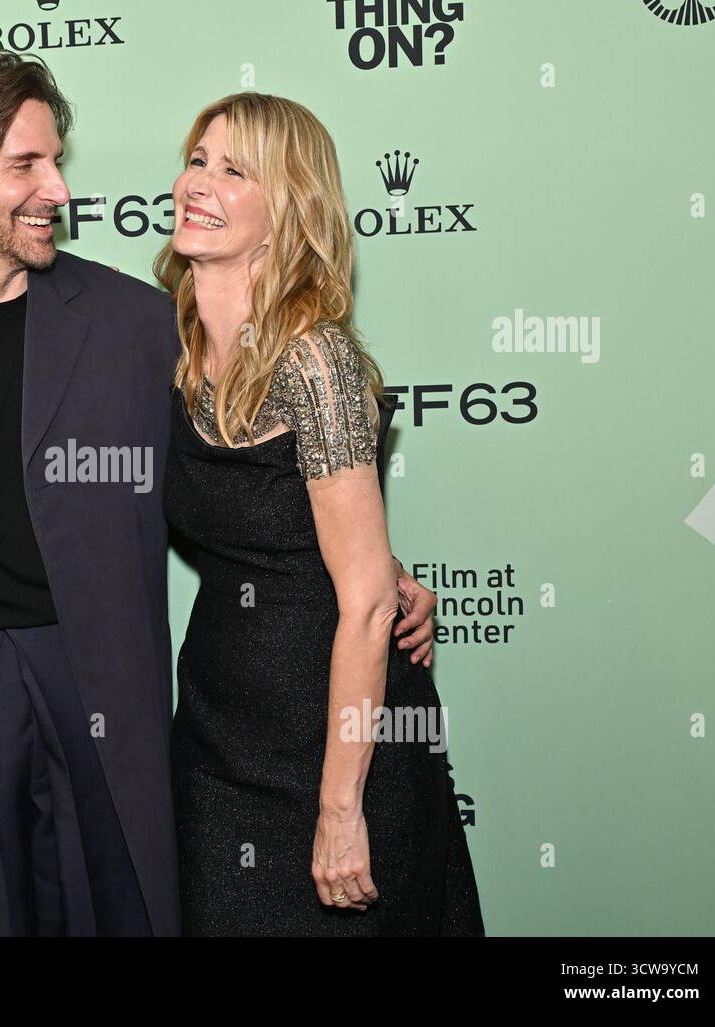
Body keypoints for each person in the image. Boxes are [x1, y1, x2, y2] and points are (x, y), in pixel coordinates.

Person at [0, 50, 440, 936]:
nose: (58, 189)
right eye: (25, 166)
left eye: (57, 161)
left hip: (104, 698)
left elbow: (259, 477)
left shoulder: (140, 327)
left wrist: (376, 576)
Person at [159, 92, 485, 935]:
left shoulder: (317, 361)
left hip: (337, 737)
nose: (200, 181)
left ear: (288, 211)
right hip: (219, 732)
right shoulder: (166, 350)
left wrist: (341, 807)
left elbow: (366, 601)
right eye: (198, 159)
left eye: (236, 170)